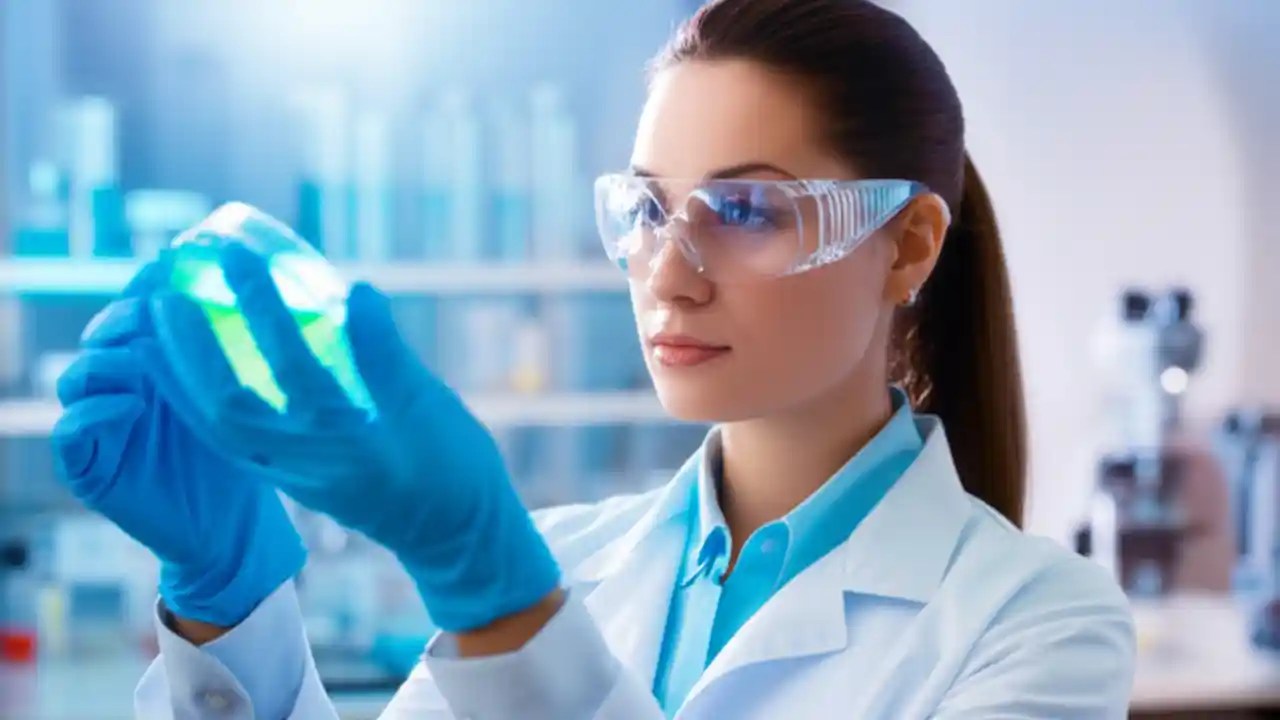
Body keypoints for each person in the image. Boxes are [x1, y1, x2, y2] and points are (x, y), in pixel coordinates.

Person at [51, 0, 1135, 717]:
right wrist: (229, 609)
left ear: (904, 246)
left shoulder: (1034, 626)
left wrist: (504, 609)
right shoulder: (558, 564)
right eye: (647, 208)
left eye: (744, 209)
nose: (666, 271)